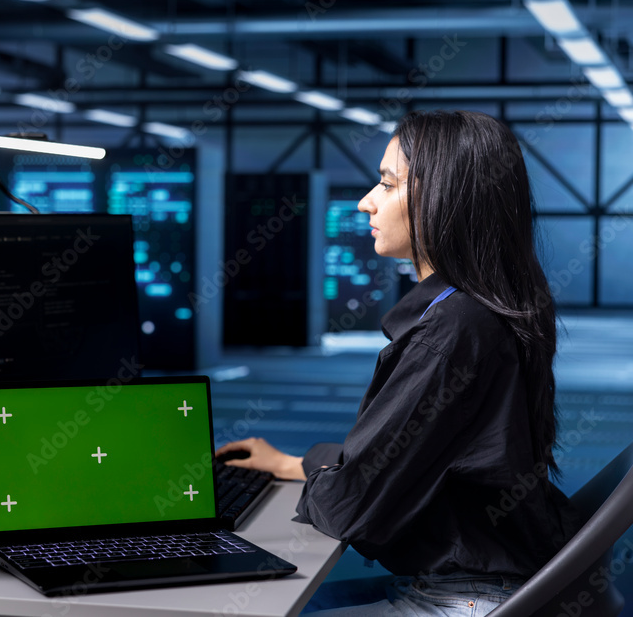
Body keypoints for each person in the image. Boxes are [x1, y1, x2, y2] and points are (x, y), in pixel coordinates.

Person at [217, 110, 583, 615]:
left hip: (467, 598)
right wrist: (291, 463)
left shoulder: (452, 330)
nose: (366, 201)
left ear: (445, 200)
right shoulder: (480, 308)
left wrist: (326, 474)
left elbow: (348, 508)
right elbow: (395, 462)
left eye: (388, 185)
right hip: (486, 584)